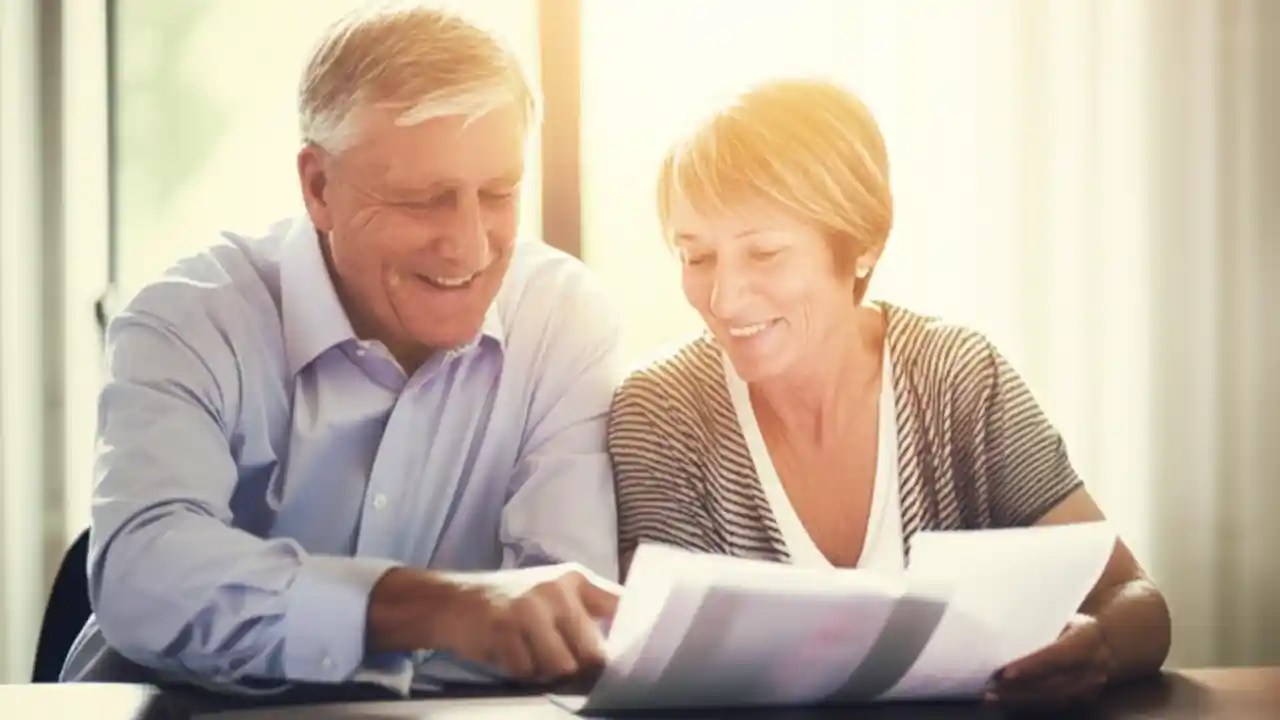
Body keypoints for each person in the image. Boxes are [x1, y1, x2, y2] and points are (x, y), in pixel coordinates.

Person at [62, 3, 622, 694]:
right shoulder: (189, 318)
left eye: (498, 193)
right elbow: (143, 577)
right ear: (319, 188)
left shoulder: (561, 317)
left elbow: (567, 622)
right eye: (424, 200)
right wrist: (434, 609)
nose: (470, 246)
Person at [607, 78, 1172, 709]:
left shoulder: (960, 377)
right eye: (698, 257)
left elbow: (1138, 602)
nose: (723, 298)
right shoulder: (659, 412)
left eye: (763, 253)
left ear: (861, 246)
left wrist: (1098, 647)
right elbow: (664, 666)